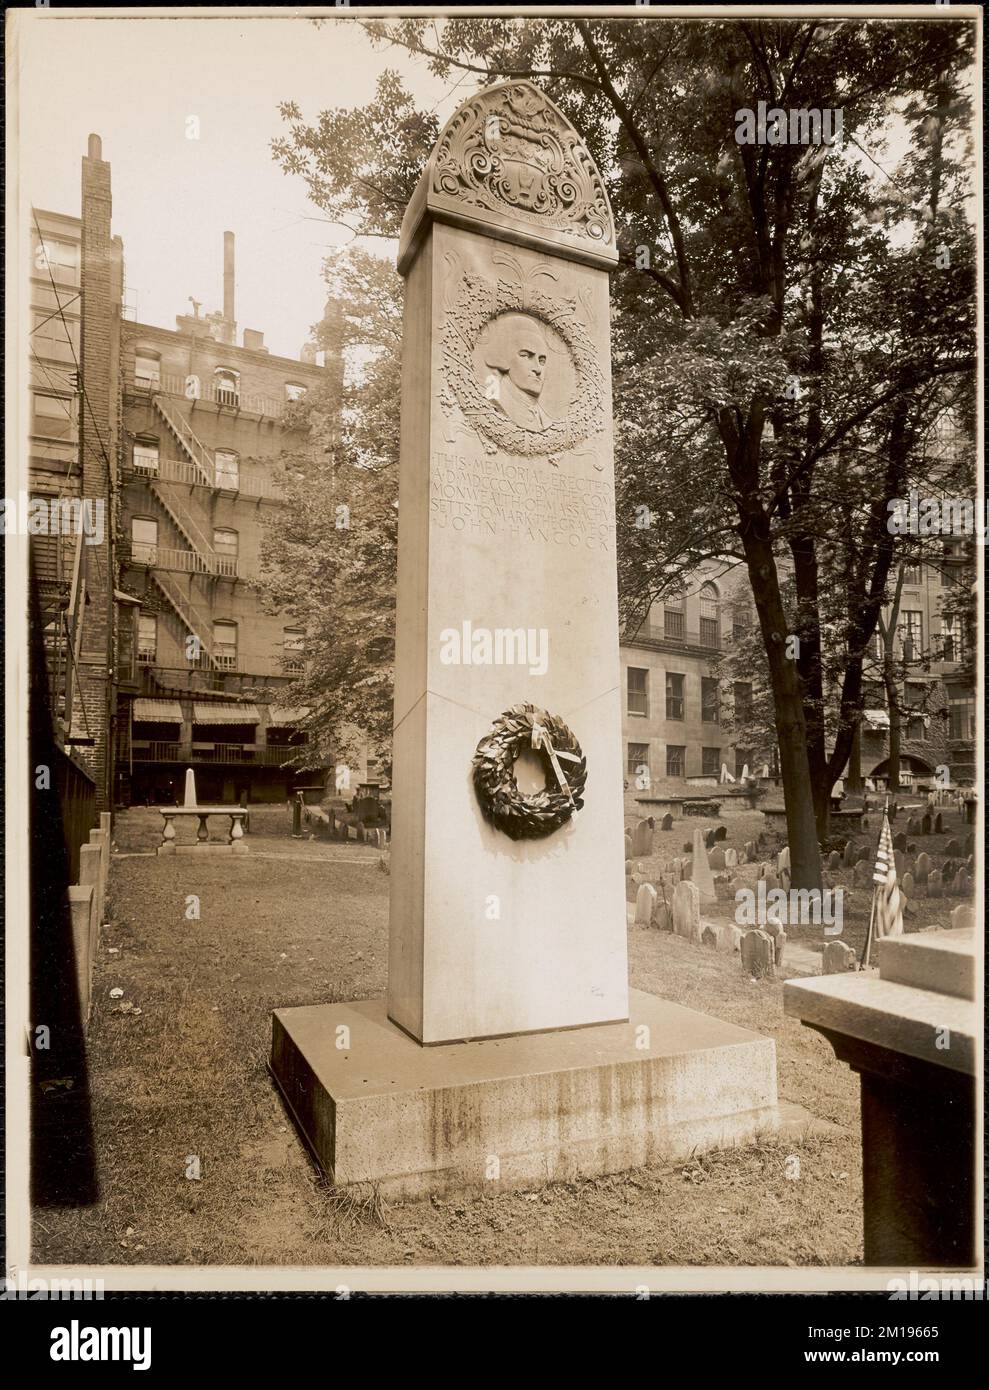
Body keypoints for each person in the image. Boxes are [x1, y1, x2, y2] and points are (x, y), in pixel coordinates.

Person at [482, 314, 555, 431]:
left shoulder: (545, 421)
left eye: (541, 361)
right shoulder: (494, 400)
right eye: (526, 356)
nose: (537, 369)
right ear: (504, 358)